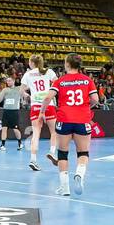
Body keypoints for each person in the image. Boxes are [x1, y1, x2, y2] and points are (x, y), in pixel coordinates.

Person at [45, 55, 99, 196]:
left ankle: (65, 188)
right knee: (83, 152)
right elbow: (95, 99)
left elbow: (48, 97)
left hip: (64, 119)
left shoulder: (60, 81)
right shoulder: (88, 81)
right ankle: (79, 174)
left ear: (67, 64)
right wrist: (87, 107)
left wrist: (42, 110)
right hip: (82, 119)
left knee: (62, 153)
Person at [20, 54, 57, 171]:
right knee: (54, 132)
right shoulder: (49, 72)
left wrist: (27, 96)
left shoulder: (27, 74)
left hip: (35, 105)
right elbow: (57, 84)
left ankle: (33, 159)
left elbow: (22, 91)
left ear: (32, 63)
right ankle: (52, 151)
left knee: (35, 134)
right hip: (48, 105)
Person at [0, 74, 24, 152]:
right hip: (6, 112)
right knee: (4, 128)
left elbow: (27, 86)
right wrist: (1, 92)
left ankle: (20, 143)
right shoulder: (5, 89)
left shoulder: (18, 88)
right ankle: (3, 145)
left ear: (13, 81)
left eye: (9, 81)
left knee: (15, 129)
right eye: (7, 81)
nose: (8, 82)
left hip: (14, 112)